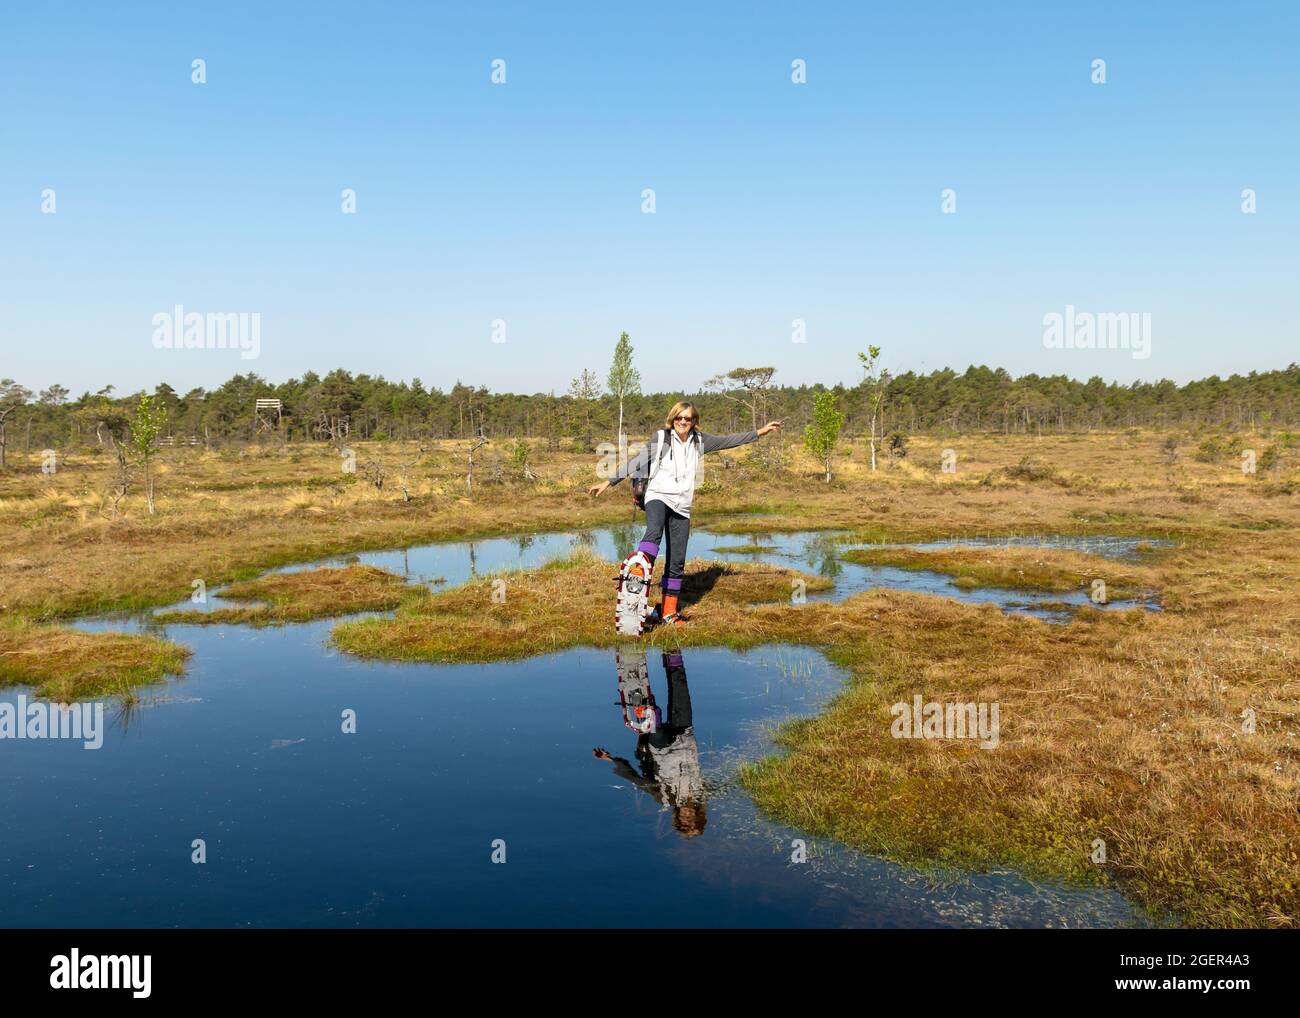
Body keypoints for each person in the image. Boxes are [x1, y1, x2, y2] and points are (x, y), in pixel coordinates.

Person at [588, 401, 781, 624]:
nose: (682, 421)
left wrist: (760, 432)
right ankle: (639, 572)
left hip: (682, 504)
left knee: (677, 560)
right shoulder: (661, 438)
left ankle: (668, 612)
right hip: (658, 495)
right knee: (653, 533)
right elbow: (636, 462)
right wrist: (608, 482)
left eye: (687, 418)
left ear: (694, 422)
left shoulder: (700, 441)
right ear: (673, 419)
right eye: (679, 417)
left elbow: (729, 440)